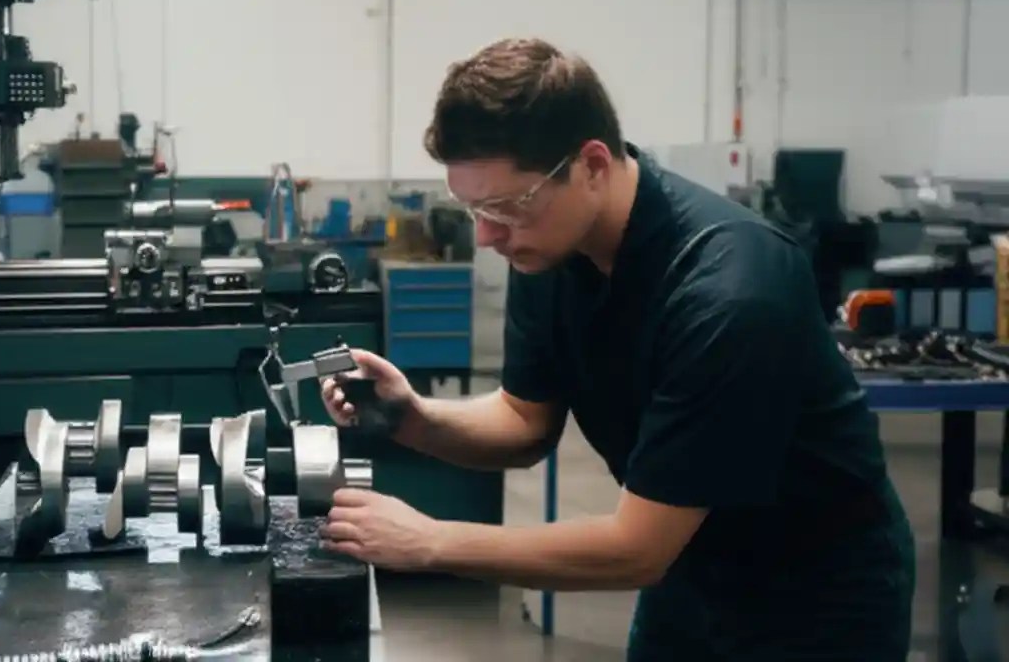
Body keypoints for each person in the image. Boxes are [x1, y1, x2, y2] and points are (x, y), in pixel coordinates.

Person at [318, 38, 916, 661]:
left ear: (593, 166)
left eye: (505, 206)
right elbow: (526, 421)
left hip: (817, 598)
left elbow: (637, 548)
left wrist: (429, 542)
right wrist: (413, 417)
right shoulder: (546, 249)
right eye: (472, 210)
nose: (489, 236)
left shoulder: (732, 290)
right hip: (691, 565)